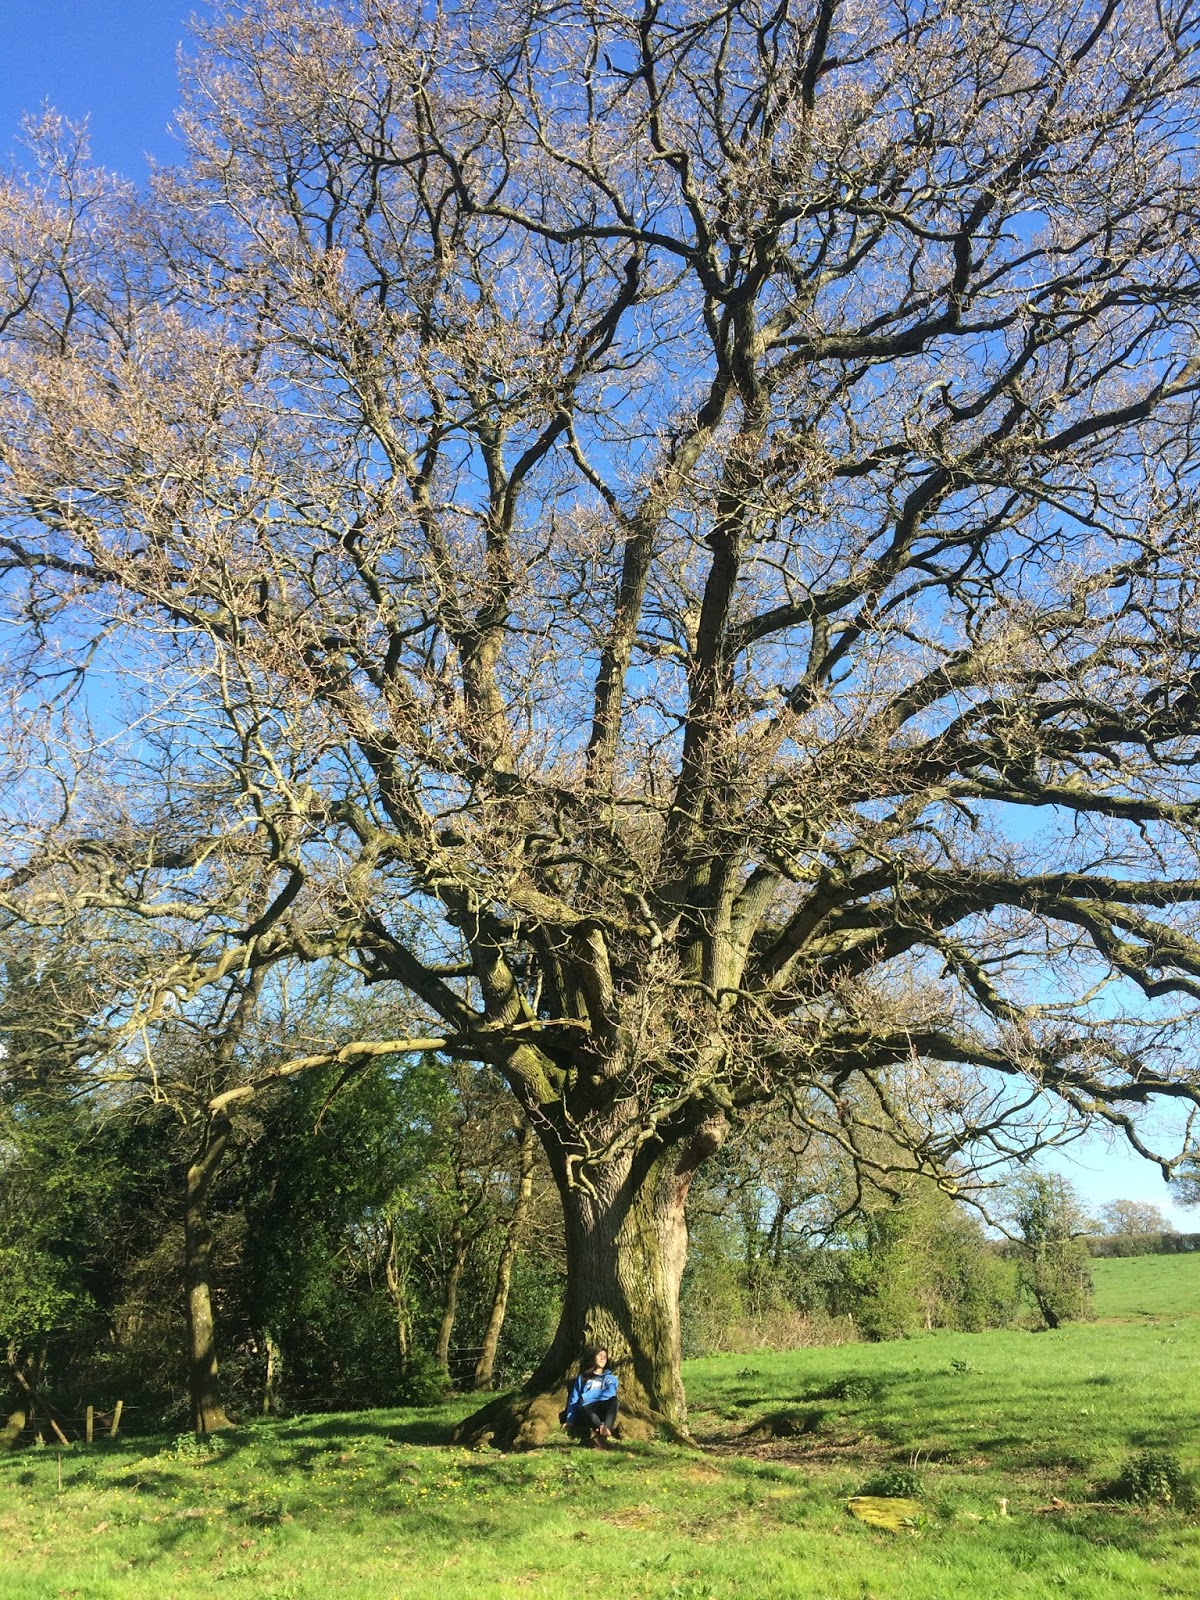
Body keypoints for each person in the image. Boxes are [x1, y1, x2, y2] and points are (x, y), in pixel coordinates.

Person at [562, 1346, 619, 1445]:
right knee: (588, 1412)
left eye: (605, 1357)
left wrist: (586, 1395)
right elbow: (574, 1399)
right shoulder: (582, 1378)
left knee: (614, 1400)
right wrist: (569, 1420)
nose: (602, 1358)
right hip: (586, 1408)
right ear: (594, 1357)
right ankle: (601, 1428)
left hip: (602, 1406)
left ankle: (606, 1428)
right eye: (600, 1355)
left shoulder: (611, 1379)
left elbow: (610, 1394)